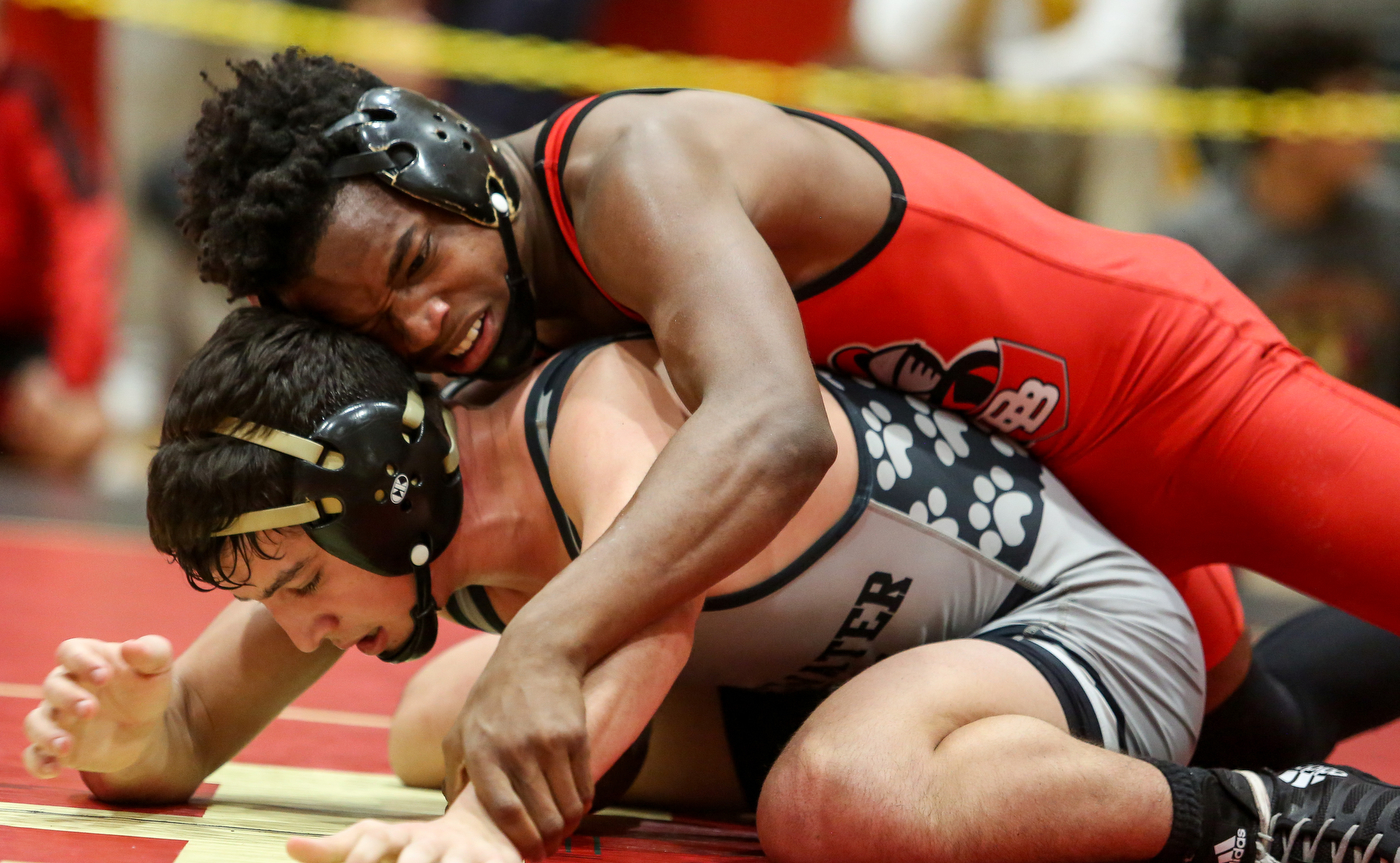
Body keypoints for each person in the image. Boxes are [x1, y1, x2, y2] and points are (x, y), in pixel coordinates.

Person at [176, 49, 1400, 853]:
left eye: (412, 268)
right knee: (1261, 741)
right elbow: (349, 508)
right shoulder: (480, 304)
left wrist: (543, 641)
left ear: (444, 160)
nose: (425, 326)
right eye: (379, 324)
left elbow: (764, 431)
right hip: (1022, 495)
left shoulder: (621, 174)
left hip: (1148, 384)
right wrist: (179, 721)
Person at [22, 306, 1400, 863]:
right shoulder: (401, 508)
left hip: (1076, 620)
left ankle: (1268, 816)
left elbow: (653, 600)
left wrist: (489, 830)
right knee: (438, 716)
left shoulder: (586, 414)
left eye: (306, 581)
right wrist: (149, 737)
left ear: (385, 491)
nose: (301, 624)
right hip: (868, 664)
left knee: (830, 800)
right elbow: (201, 726)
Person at [0, 29, 121, 474]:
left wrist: (70, 373)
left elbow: (85, 232)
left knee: (73, 430)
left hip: (24, 343)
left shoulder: (30, 97)